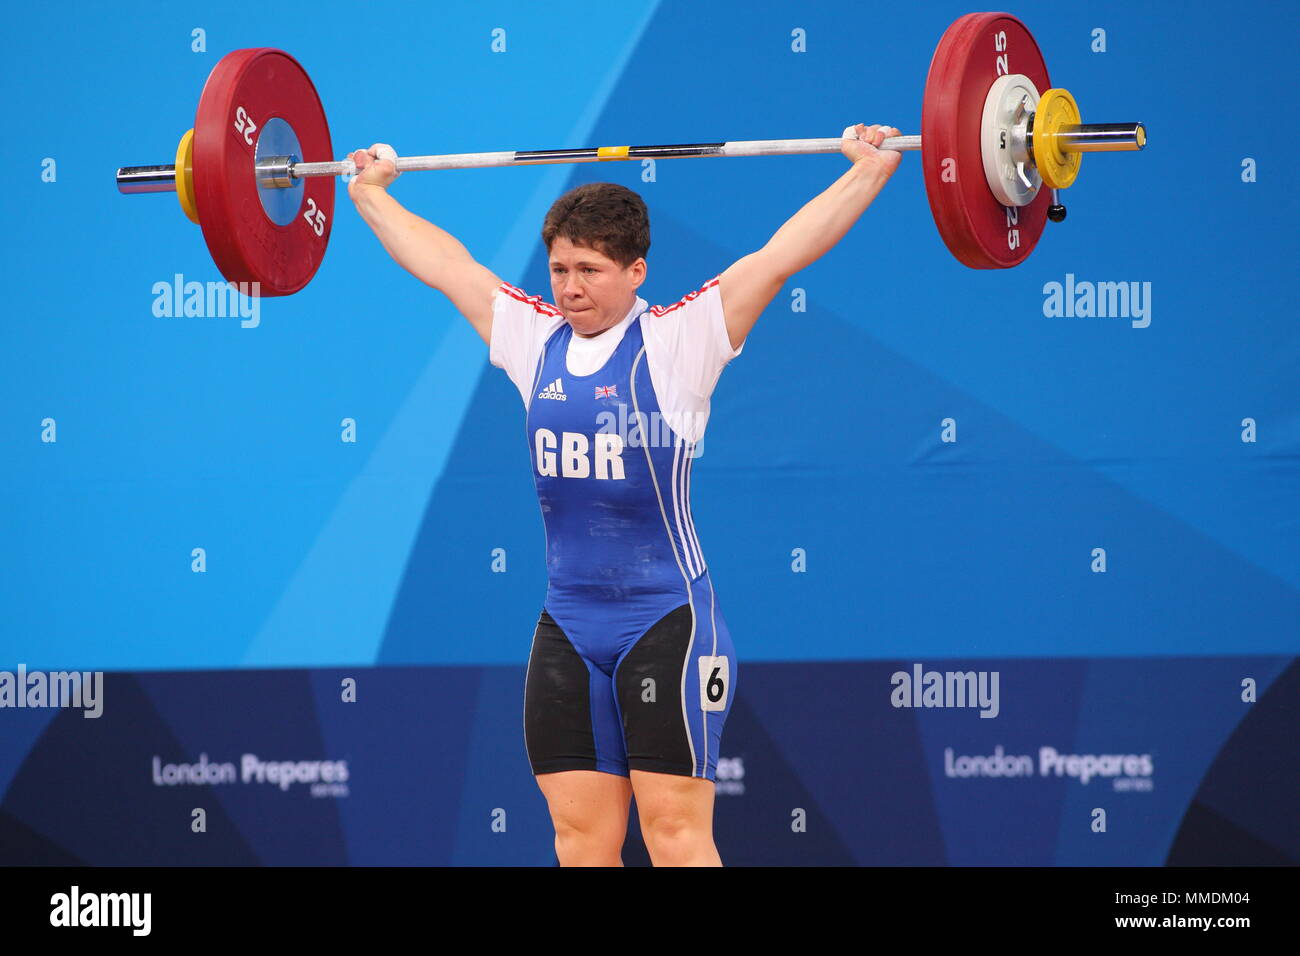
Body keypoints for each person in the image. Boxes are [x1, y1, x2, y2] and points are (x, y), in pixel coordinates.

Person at [348, 123, 902, 866]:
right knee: (580, 843)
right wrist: (368, 193)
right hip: (569, 628)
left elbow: (780, 257)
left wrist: (867, 170)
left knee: (674, 838)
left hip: (668, 623)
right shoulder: (531, 337)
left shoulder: (681, 341)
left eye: (589, 270)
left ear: (636, 270)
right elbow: (449, 266)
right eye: (559, 269)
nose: (569, 287)